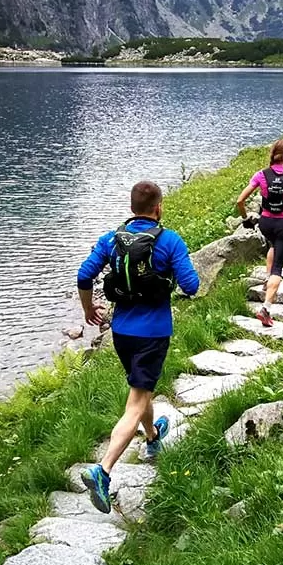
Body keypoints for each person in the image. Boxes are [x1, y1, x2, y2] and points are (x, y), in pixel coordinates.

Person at [76, 180, 200, 513]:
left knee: (140, 388)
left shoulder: (111, 240)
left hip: (122, 332)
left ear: (132, 207)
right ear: (158, 207)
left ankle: (152, 439)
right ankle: (102, 471)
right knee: (136, 400)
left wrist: (88, 309)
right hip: (154, 332)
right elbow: (191, 285)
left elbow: (84, 275)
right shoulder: (170, 240)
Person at [235, 138, 283, 327]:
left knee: (272, 245)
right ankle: (266, 308)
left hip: (266, 222)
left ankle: (268, 279)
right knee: (279, 269)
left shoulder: (261, 175)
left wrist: (245, 219)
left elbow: (240, 201)